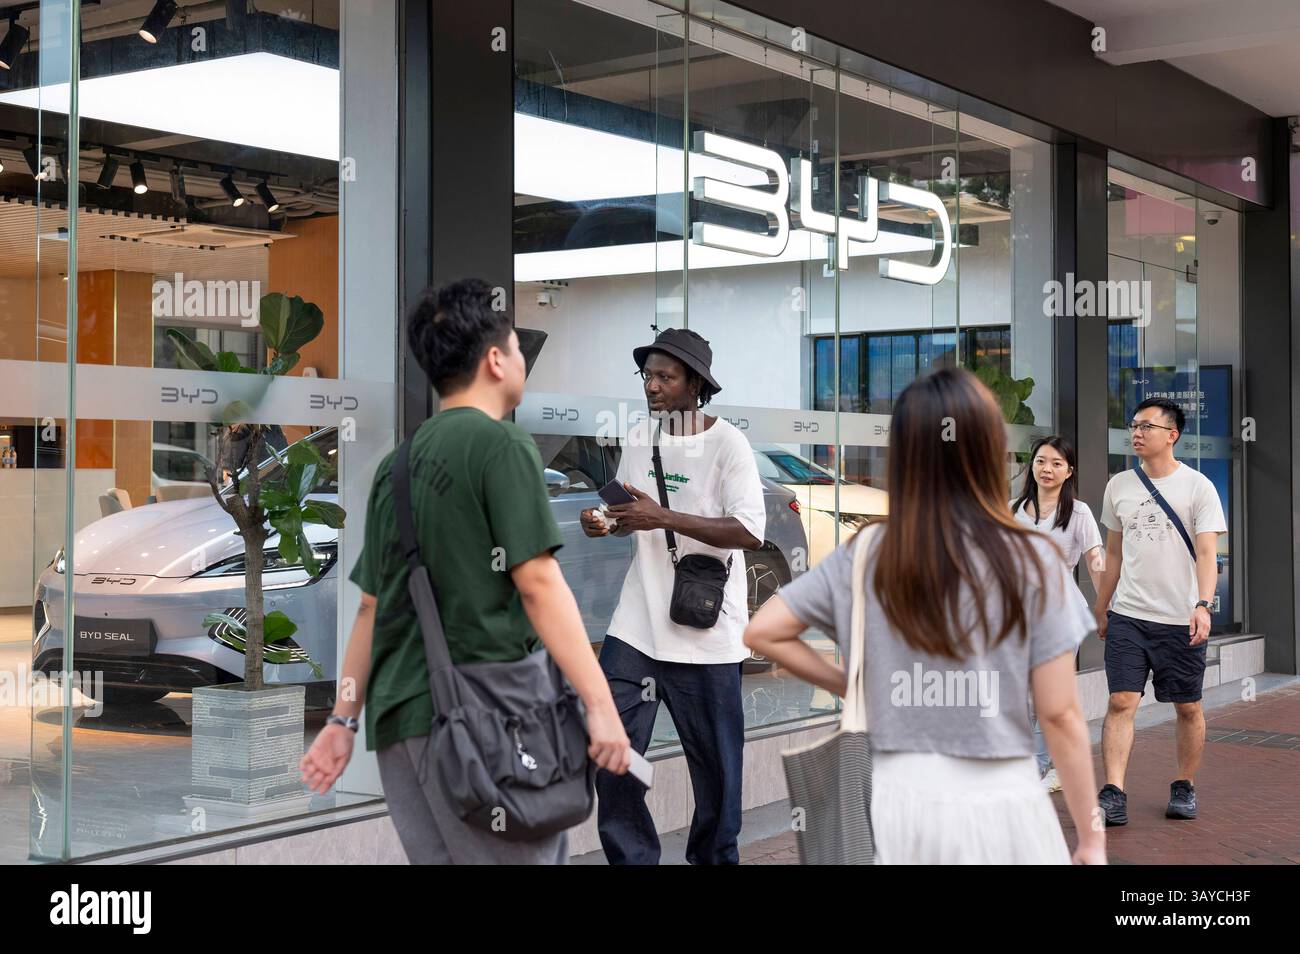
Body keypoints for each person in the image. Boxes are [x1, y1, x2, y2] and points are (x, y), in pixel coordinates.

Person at [299, 279, 630, 863]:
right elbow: (538, 582)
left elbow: (373, 608)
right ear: (496, 359)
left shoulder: (397, 467)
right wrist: (600, 706)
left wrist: (342, 722)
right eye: (518, 347)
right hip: (489, 718)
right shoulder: (501, 446)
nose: (525, 360)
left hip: (403, 721)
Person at [744, 367, 1105, 865]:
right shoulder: (1031, 556)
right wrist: (1091, 838)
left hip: (898, 803)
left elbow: (763, 631)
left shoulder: (869, 550)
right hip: (1003, 802)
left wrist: (850, 684)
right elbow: (1060, 714)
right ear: (986, 450)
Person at [579, 328, 765, 865]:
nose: (653, 386)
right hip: (637, 625)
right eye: (648, 375)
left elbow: (749, 530)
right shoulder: (640, 438)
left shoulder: (729, 444)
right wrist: (605, 522)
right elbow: (627, 514)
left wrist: (661, 515)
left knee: (718, 773)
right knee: (613, 753)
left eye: (666, 376)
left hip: (706, 631)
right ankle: (633, 856)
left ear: (695, 385)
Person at [1093, 397, 1227, 826]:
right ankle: (1114, 792)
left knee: (1187, 707)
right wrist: (1102, 606)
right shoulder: (1118, 486)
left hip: (1180, 619)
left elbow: (1209, 554)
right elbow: (1112, 555)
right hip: (1129, 616)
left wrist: (1203, 605)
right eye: (1134, 425)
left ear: (1172, 435)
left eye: (1147, 426)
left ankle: (1184, 785)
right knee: (1120, 701)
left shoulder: (1198, 487)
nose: (1137, 432)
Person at [1011, 435, 1104, 792]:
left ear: (1068, 472)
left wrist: (1105, 605)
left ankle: (1043, 766)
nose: (1047, 469)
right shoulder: (1012, 509)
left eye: (1056, 464)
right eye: (1041, 461)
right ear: (1031, 465)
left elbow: (1095, 560)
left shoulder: (1078, 513)